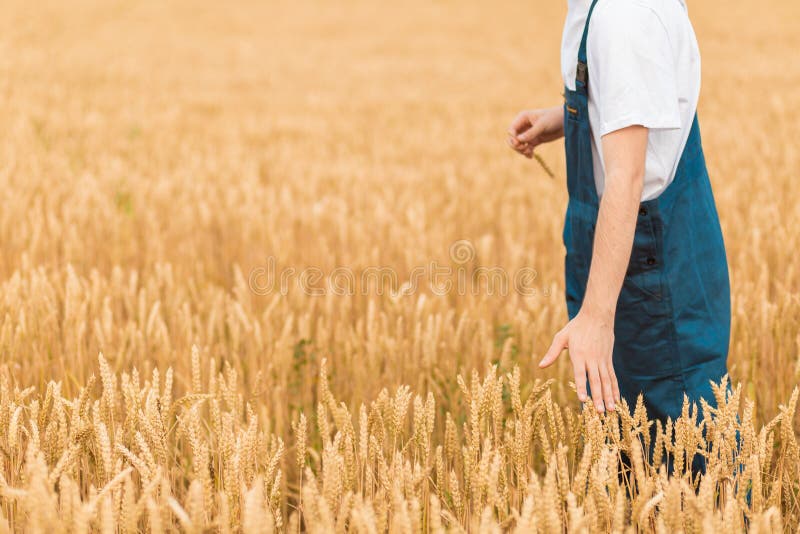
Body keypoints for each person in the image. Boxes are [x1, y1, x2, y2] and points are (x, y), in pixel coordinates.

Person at [506, 0, 730, 441]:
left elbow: (626, 177)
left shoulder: (624, 17)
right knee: (635, 443)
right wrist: (566, 120)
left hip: (651, 268)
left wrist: (595, 317)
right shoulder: (599, 9)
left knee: (683, 445)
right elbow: (643, 101)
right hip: (634, 253)